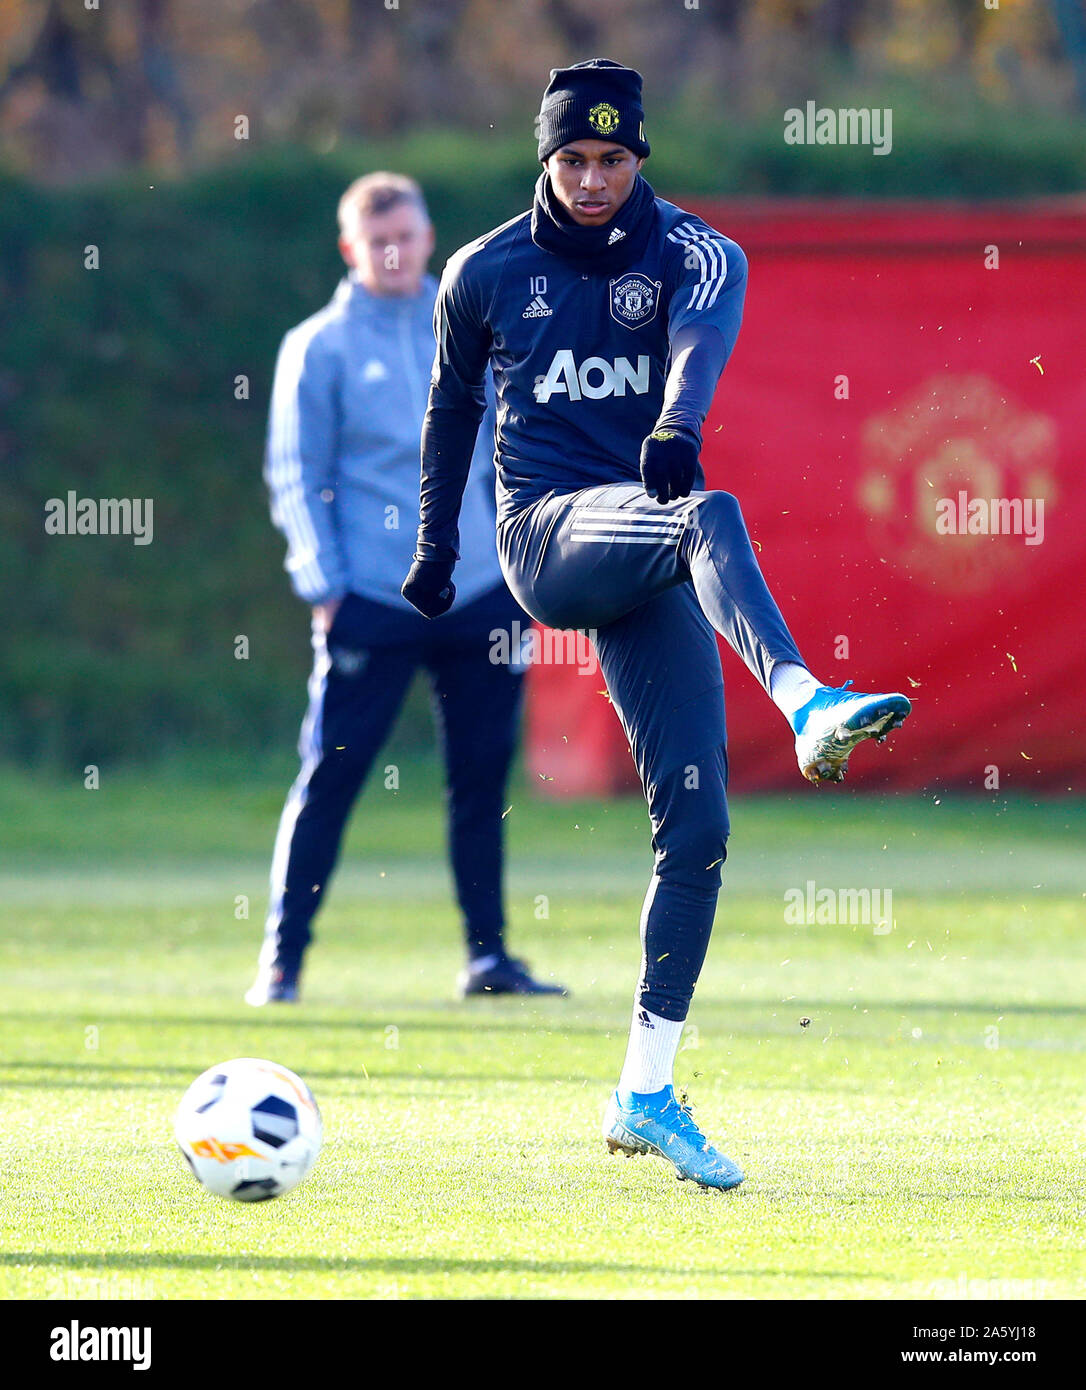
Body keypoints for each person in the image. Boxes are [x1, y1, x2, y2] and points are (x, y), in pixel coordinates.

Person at [401, 61, 911, 1190]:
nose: (592, 179)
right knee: (709, 510)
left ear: (641, 159)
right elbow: (449, 410)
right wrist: (439, 547)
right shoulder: (484, 271)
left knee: (699, 827)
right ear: (545, 158)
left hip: (648, 537)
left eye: (613, 159)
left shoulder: (693, 250)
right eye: (572, 159)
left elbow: (701, 339)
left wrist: (679, 419)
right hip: (549, 538)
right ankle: (806, 699)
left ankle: (644, 1091)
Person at [248, 171, 565, 1006]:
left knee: (481, 779)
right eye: (376, 238)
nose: (394, 251)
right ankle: (283, 962)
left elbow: (520, 445)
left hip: (483, 593)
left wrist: (526, 556)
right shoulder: (316, 347)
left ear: (428, 237)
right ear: (351, 248)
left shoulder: (476, 324)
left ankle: (489, 959)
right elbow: (296, 474)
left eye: (408, 234)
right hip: (373, 600)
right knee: (332, 776)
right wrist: (323, 586)